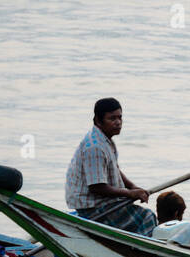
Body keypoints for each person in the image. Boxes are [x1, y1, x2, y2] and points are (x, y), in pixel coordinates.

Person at [65, 97, 157, 235]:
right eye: (112, 118)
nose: (118, 122)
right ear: (98, 120)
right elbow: (97, 187)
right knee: (147, 217)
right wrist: (129, 193)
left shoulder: (105, 140)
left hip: (104, 202)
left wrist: (132, 187)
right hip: (92, 208)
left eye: (120, 117)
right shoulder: (95, 147)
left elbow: (115, 168)